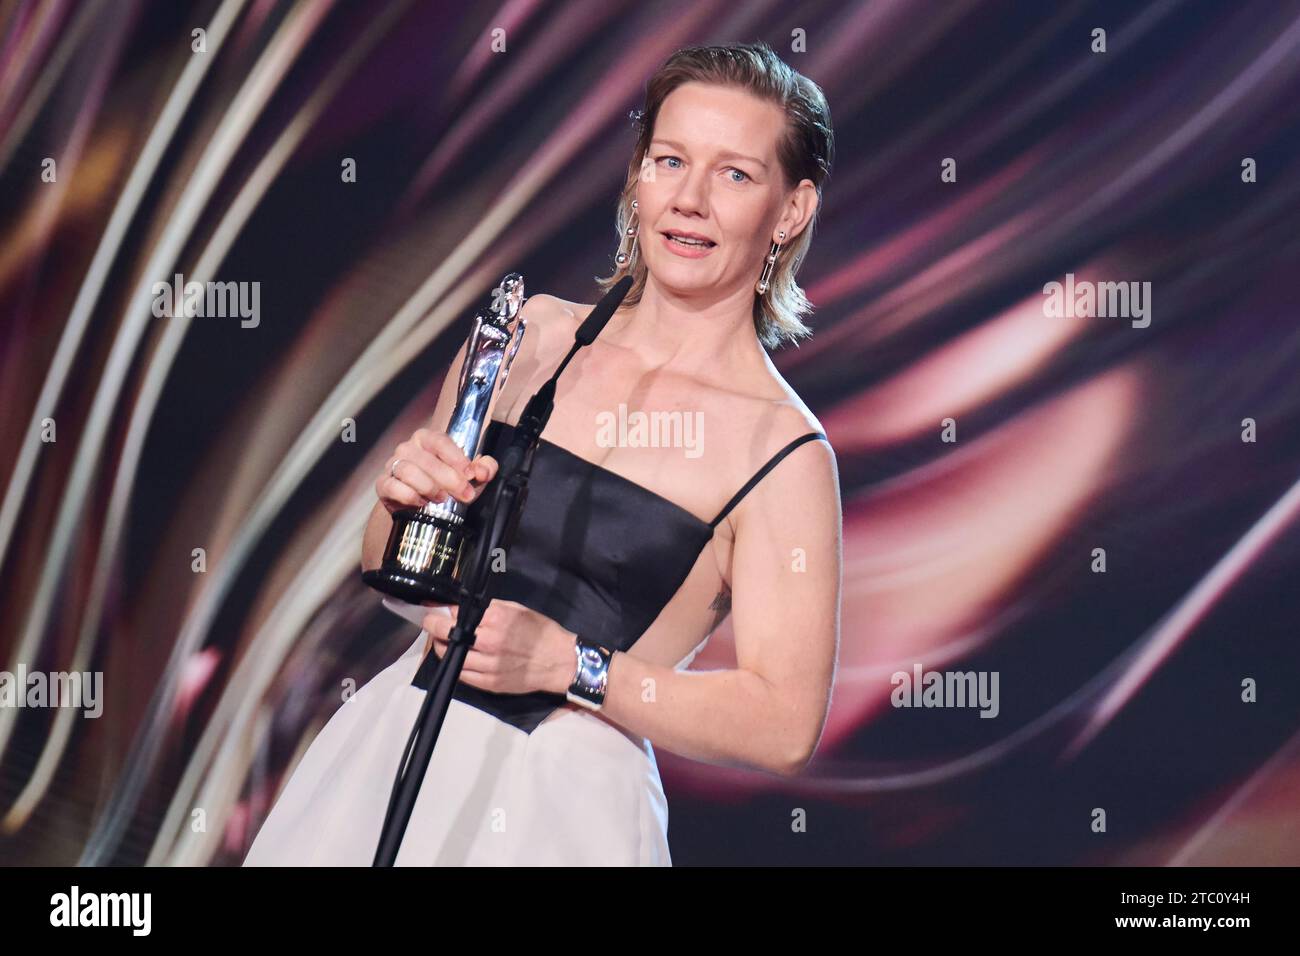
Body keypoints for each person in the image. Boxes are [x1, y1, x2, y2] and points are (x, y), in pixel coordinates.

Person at [242, 40, 840, 867]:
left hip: (563, 810)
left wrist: (571, 666)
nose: (691, 200)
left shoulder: (783, 449)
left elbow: (784, 725)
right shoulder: (529, 338)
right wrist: (400, 505)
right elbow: (392, 570)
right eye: (670, 160)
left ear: (791, 209)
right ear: (638, 174)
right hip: (391, 750)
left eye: (735, 174)